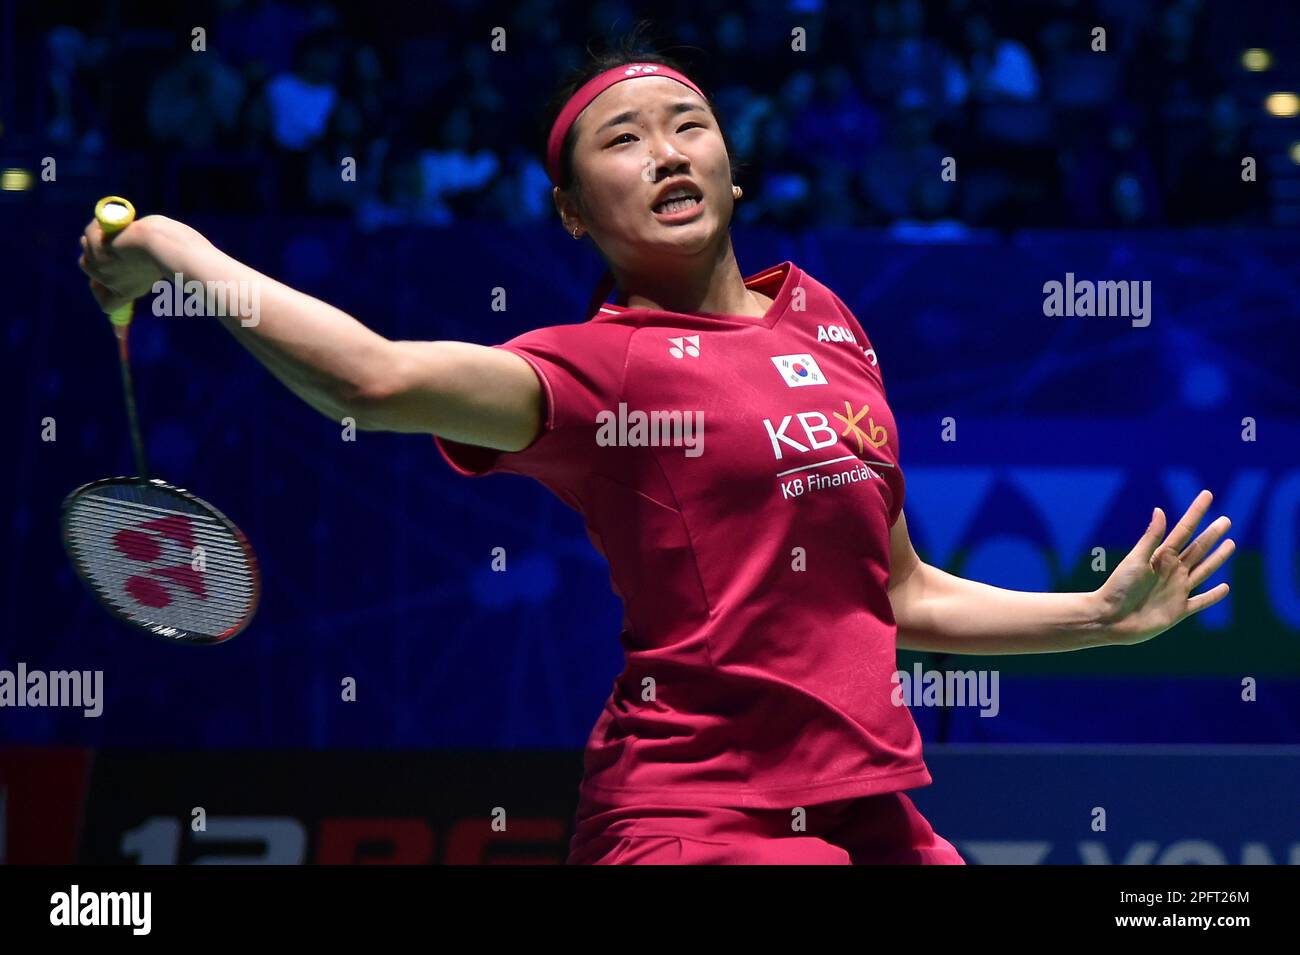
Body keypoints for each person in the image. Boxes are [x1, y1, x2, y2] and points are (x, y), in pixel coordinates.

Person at [78, 40, 1236, 866]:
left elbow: (897, 591)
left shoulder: (827, 320)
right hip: (697, 816)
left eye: (689, 126)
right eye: (622, 143)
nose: (667, 153)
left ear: (735, 168)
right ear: (574, 211)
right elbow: (370, 381)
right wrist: (175, 247)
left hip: (872, 810)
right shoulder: (598, 370)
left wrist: (1096, 618)